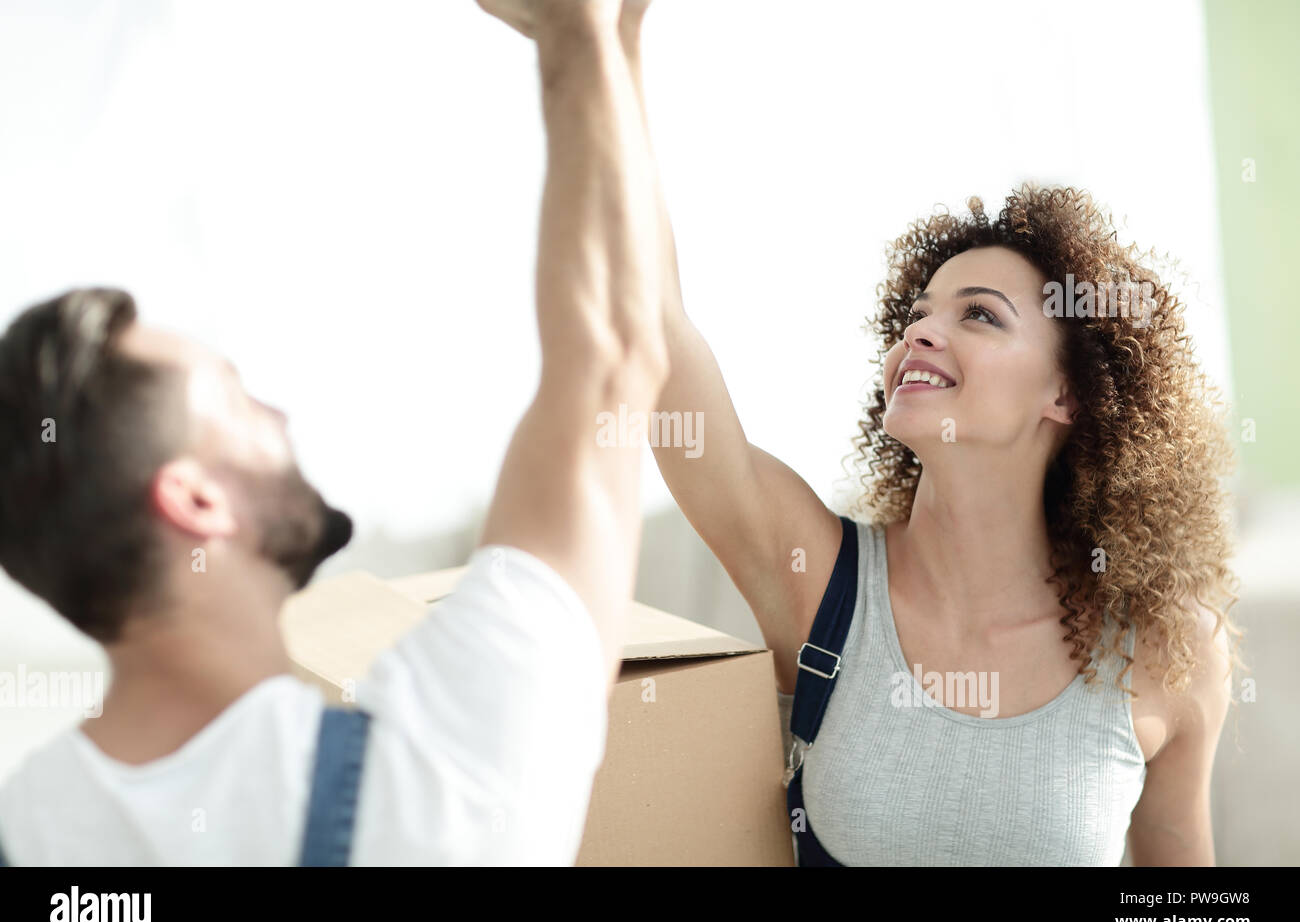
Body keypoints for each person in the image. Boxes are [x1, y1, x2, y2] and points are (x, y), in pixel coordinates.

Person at [0, 0, 667, 865]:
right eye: (238, 402)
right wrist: (585, 37)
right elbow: (611, 362)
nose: (280, 416)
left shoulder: (28, 832)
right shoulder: (428, 778)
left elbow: (609, 364)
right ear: (195, 499)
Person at [645, 180, 1244, 865]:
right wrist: (609, 94)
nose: (918, 333)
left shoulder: (1166, 649)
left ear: (1067, 392)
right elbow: (656, 330)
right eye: (919, 314)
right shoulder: (821, 581)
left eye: (980, 316)